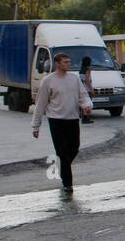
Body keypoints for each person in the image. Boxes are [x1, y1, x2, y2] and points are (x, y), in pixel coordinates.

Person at [31, 52, 93, 196]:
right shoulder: (48, 81)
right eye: (65, 62)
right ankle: (67, 184)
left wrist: (87, 106)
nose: (68, 64)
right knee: (62, 152)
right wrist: (36, 125)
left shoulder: (74, 79)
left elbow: (82, 96)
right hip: (56, 121)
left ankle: (61, 167)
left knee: (74, 148)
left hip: (72, 119)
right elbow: (40, 104)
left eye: (69, 62)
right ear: (57, 63)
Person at [79, 55, 94, 124]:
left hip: (82, 88)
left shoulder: (81, 69)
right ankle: (86, 118)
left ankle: (83, 117)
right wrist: (91, 89)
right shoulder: (87, 70)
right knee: (88, 104)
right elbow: (87, 80)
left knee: (83, 104)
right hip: (87, 89)